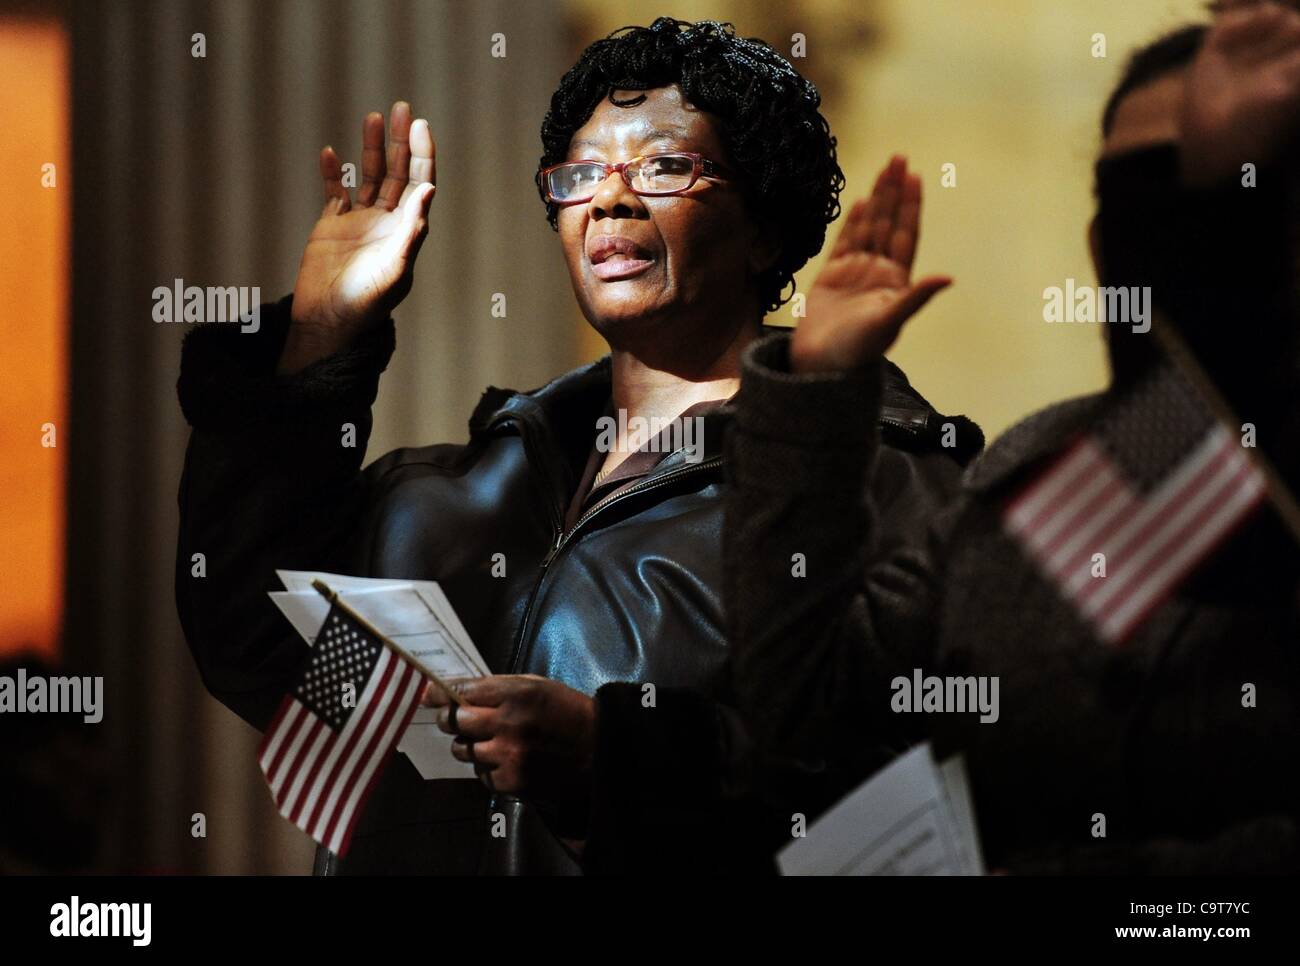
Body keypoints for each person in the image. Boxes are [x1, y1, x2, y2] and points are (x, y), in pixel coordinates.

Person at [175, 16, 979, 874]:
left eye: (666, 166)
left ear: (764, 229)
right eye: (584, 172)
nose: (611, 198)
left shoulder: (881, 482)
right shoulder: (452, 491)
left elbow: (891, 797)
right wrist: (321, 334)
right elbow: (257, 650)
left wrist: (615, 765)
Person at [725, 2, 1300, 874]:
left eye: (1191, 192)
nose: (1159, 244)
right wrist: (819, 387)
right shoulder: (1044, 466)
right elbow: (808, 716)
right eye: (1130, 200)